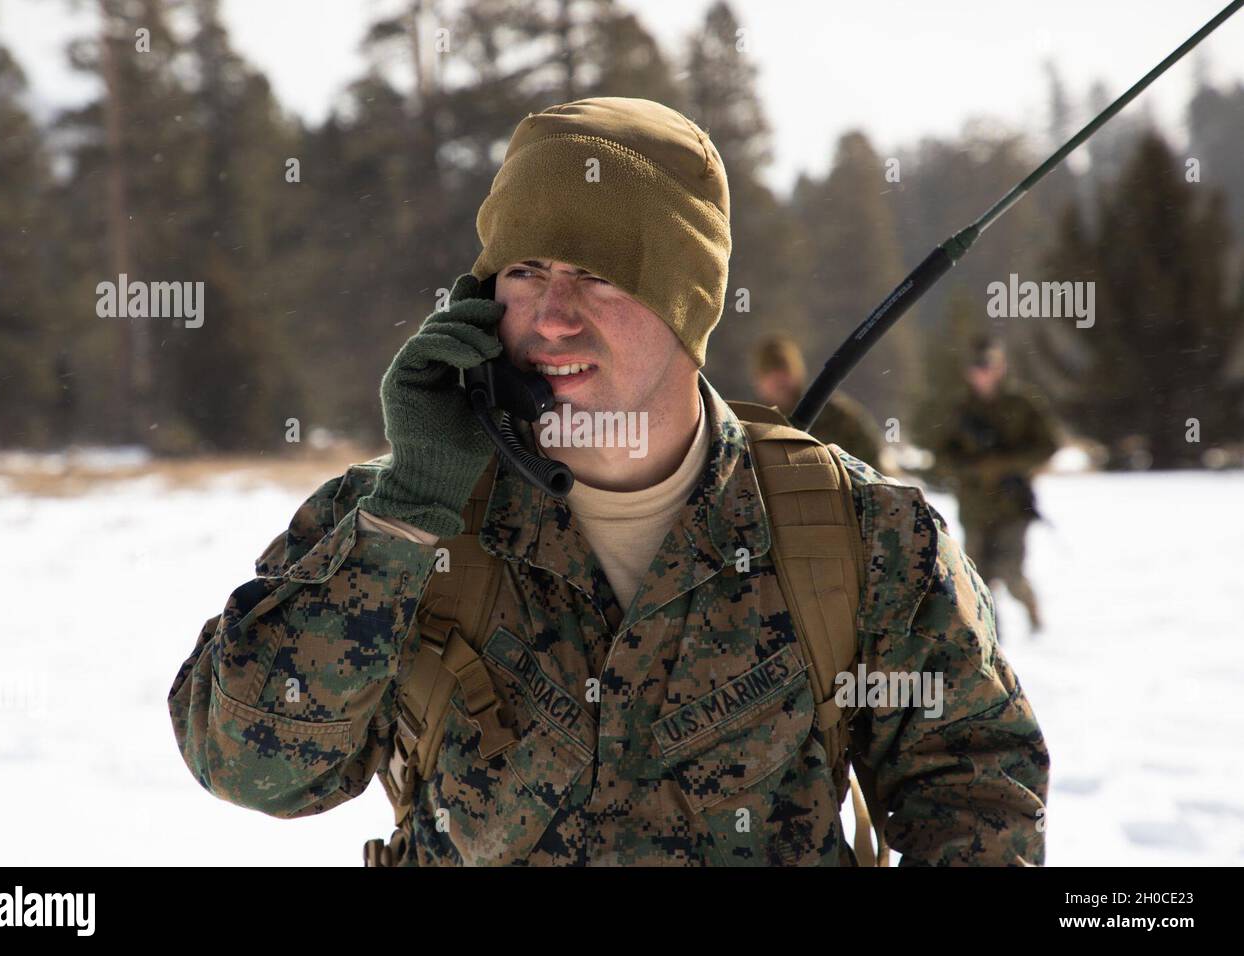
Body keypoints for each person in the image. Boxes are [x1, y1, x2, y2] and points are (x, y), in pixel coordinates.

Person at [168, 97, 1048, 866]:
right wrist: (410, 511)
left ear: (687, 306)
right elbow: (250, 767)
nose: (553, 315)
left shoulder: (861, 534)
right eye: (524, 272)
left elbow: (975, 778)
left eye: (597, 275)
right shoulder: (394, 519)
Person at [927, 338, 1059, 633]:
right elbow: (940, 456)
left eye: (988, 366)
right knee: (977, 579)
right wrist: (972, 468)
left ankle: (1034, 617)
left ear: (1001, 367)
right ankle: (990, 636)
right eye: (977, 367)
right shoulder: (958, 409)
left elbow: (1048, 445)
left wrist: (1007, 465)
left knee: (1011, 574)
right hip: (975, 506)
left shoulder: (1022, 403)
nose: (983, 373)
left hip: (1013, 504)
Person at [750, 333, 886, 471]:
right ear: (758, 380)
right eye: (769, 370)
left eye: (783, 368)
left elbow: (871, 462)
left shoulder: (832, 413)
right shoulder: (750, 424)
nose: (778, 378)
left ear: (797, 371)